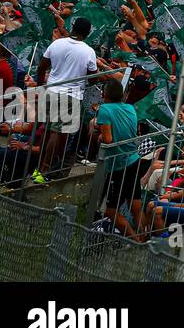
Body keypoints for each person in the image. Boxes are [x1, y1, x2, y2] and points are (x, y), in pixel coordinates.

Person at [35, 18, 99, 180]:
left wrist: (40, 85)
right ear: (88, 32)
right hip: (71, 95)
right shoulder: (88, 51)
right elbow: (93, 79)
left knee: (48, 129)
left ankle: (38, 167)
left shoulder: (57, 44)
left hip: (51, 90)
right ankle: (44, 171)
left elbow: (42, 67)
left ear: (73, 28)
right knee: (57, 132)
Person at [94, 78, 142, 238]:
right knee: (134, 203)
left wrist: (99, 136)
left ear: (104, 94)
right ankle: (144, 236)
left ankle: (134, 239)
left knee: (110, 210)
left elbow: (108, 139)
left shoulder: (104, 110)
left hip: (119, 165)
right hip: (134, 159)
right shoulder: (130, 108)